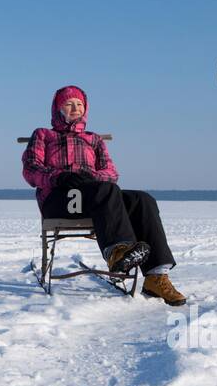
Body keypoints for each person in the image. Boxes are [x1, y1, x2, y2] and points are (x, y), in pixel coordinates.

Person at [21, 85, 186, 305]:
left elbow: (111, 172)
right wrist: (59, 177)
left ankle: (156, 276)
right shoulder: (43, 135)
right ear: (57, 109)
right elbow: (31, 169)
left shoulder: (94, 139)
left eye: (79, 104)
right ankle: (118, 252)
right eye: (68, 104)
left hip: (96, 196)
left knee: (142, 200)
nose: (75, 108)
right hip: (59, 198)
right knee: (107, 191)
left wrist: (91, 177)